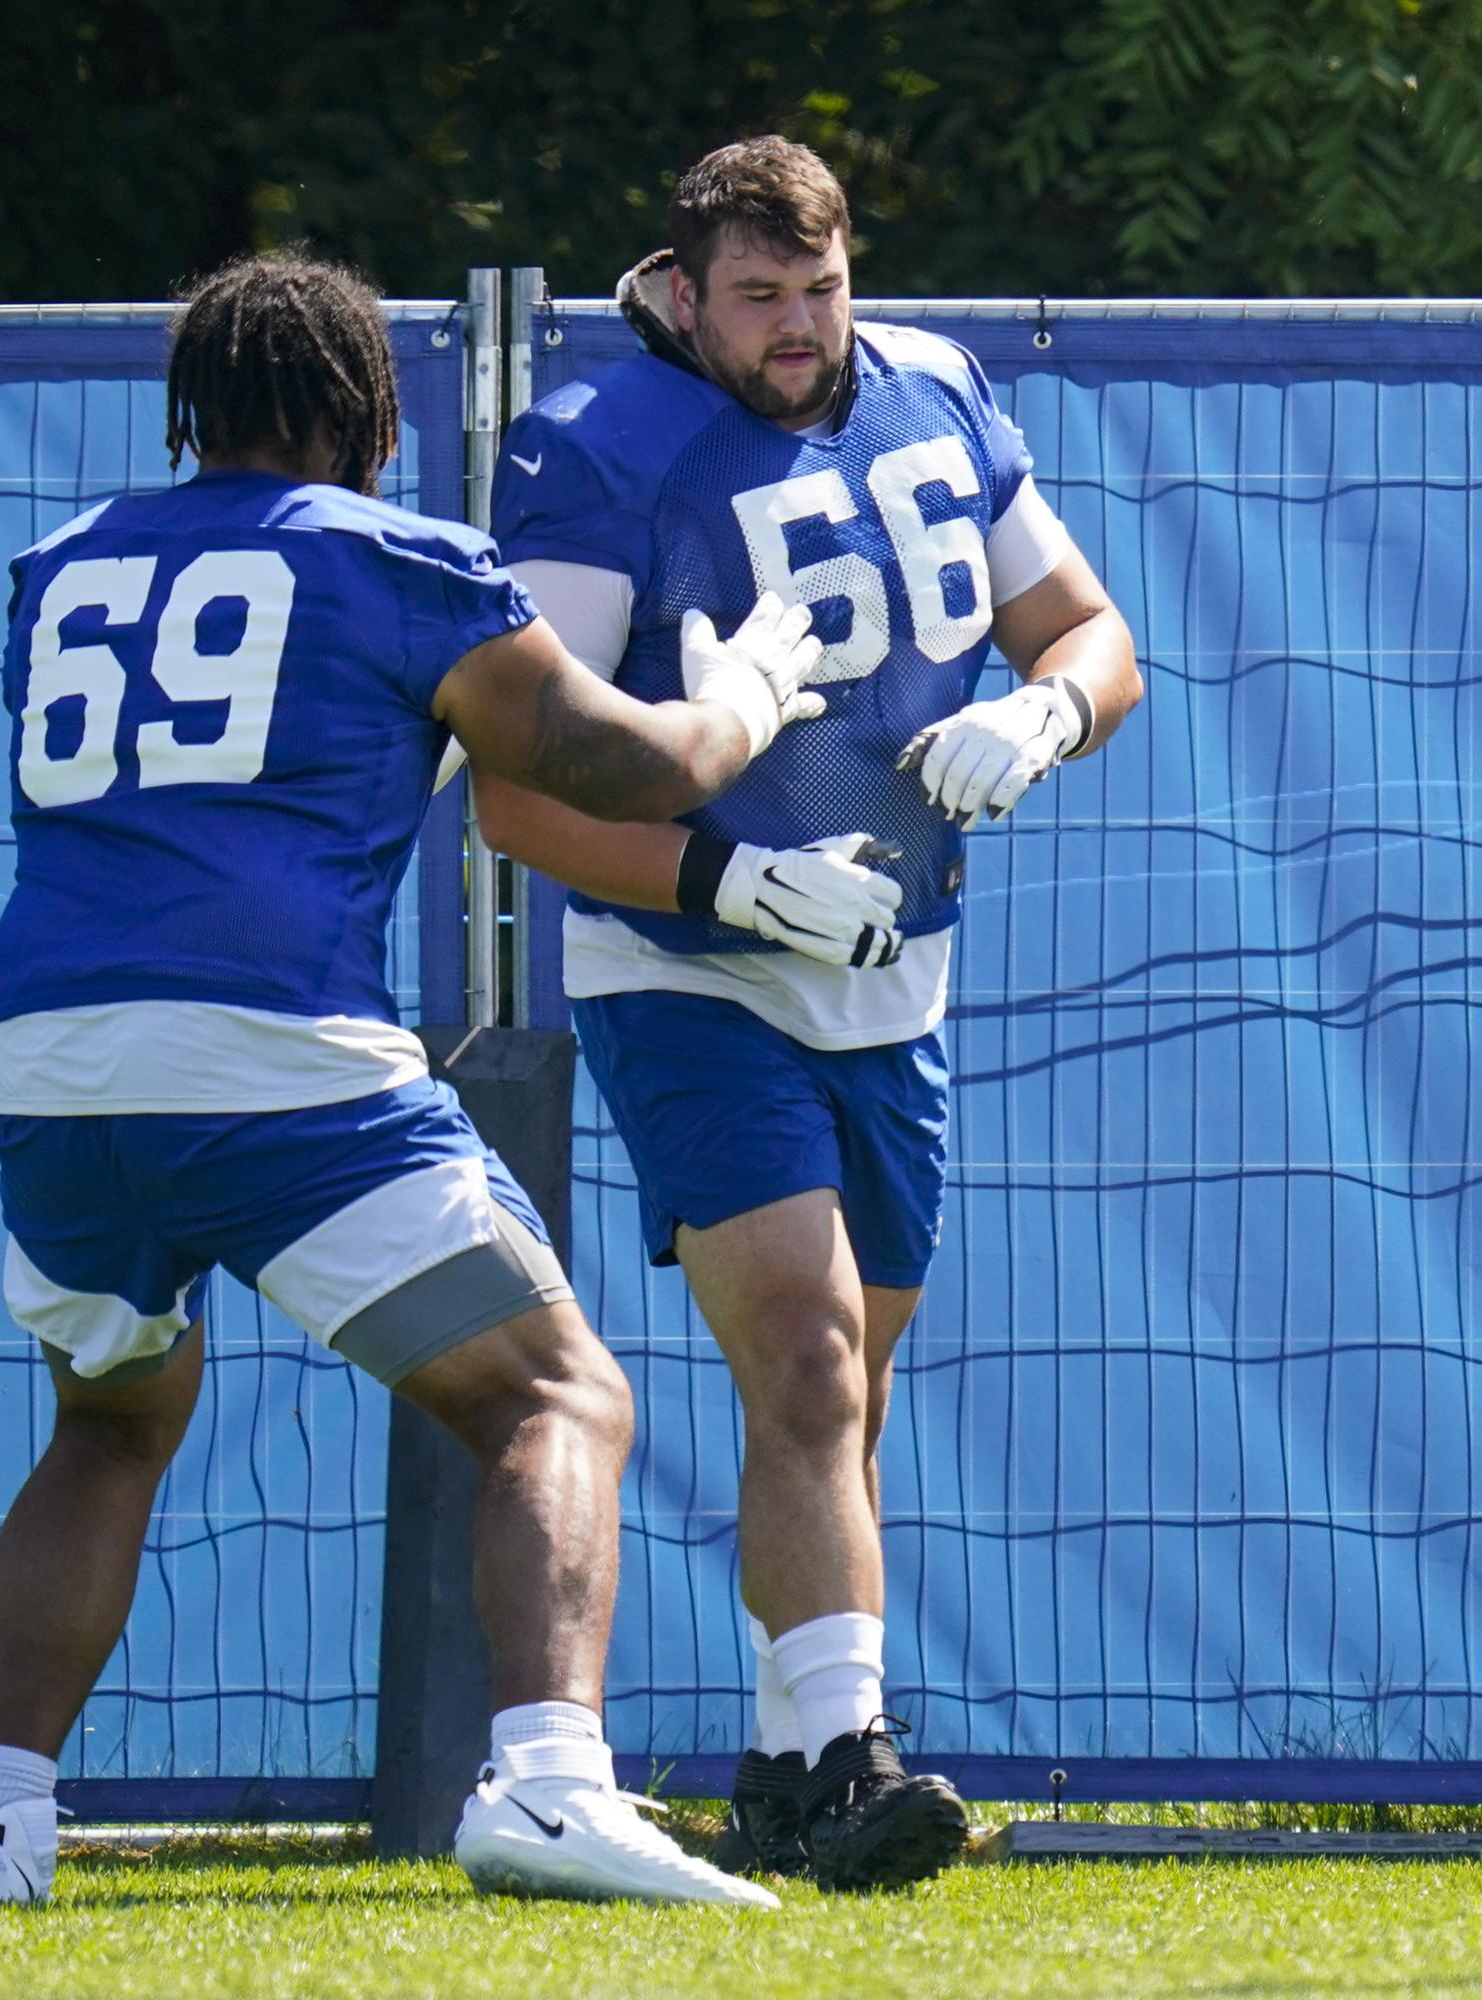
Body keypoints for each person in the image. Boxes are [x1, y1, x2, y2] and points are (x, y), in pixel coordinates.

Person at [0, 250, 828, 1910]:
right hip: (269, 1043)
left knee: (111, 1420)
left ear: (197, 405)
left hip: (49, 1053)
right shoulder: (398, 558)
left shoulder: (59, 567)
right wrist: (752, 694)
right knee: (556, 1399)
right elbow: (622, 767)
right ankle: (552, 1784)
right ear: (366, 406)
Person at [482, 137, 1143, 1892]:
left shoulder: (932, 385)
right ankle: (856, 1756)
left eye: (822, 286)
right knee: (810, 1350)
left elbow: (1091, 632)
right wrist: (726, 882)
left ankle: (779, 1761)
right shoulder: (600, 445)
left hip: (897, 970)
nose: (798, 327)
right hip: (691, 971)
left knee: (849, 1396)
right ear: (682, 290)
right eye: (759, 295)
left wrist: (1050, 719)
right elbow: (517, 794)